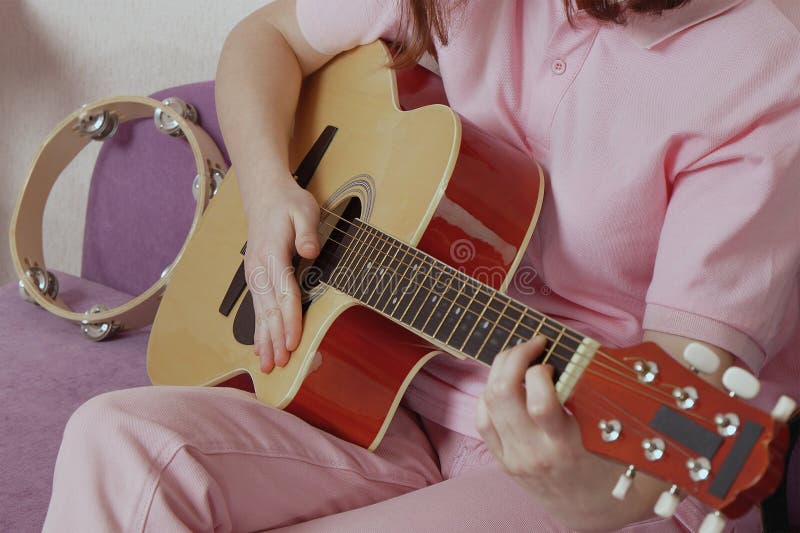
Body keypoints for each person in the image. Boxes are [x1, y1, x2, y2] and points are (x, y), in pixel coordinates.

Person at [43, 0, 800, 531]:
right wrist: (271, 189)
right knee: (112, 442)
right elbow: (264, 37)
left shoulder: (765, 71)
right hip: (387, 389)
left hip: (587, 456)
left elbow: (671, 422)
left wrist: (573, 484)